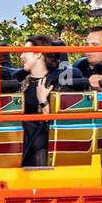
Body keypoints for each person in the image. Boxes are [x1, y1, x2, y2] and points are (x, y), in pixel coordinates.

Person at [20, 35, 61, 167]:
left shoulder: (55, 83)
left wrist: (43, 100)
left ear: (38, 54)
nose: (21, 56)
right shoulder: (22, 82)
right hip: (21, 141)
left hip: (40, 144)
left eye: (26, 52)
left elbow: (55, 123)